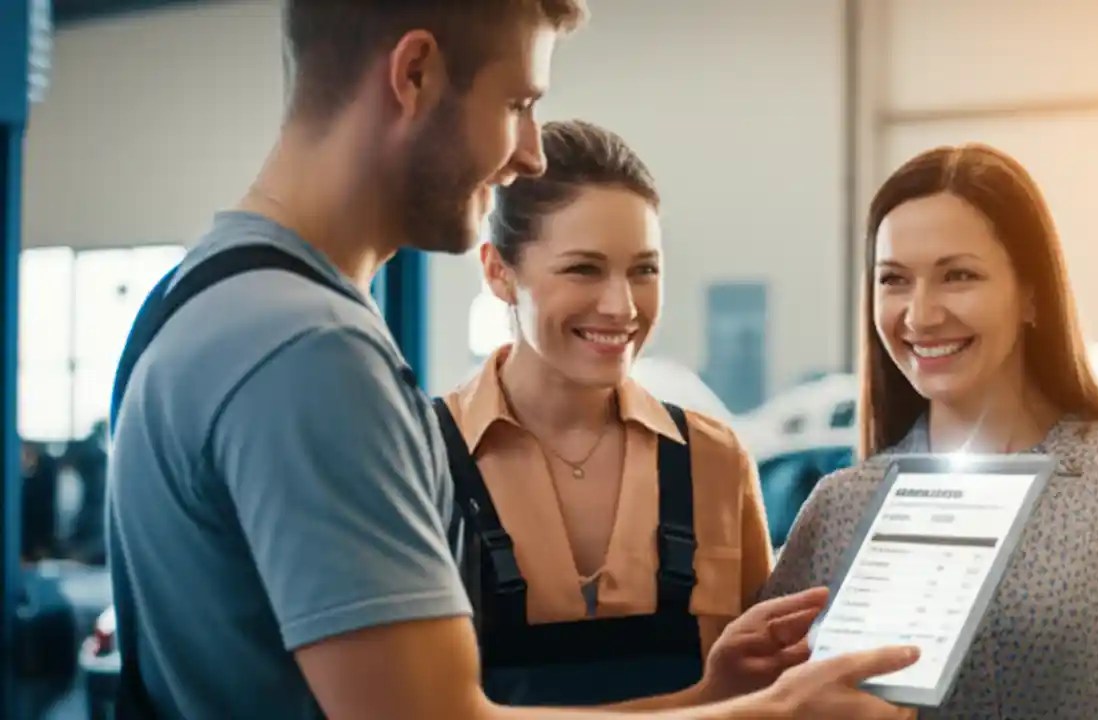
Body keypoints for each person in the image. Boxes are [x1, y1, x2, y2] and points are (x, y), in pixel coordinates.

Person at [106, 1, 920, 718]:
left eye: (643, 269)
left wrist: (713, 697)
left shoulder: (200, 299)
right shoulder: (312, 353)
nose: (529, 153)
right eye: (517, 103)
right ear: (414, 73)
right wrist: (766, 717)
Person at [761, 143, 1098, 719]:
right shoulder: (840, 507)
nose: (920, 314)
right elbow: (769, 703)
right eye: (895, 280)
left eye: (958, 276)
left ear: (1032, 294)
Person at [438, 119, 773, 706]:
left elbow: (766, 693)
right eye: (583, 269)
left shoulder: (716, 464)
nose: (622, 307)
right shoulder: (418, 462)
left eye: (644, 270)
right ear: (497, 271)